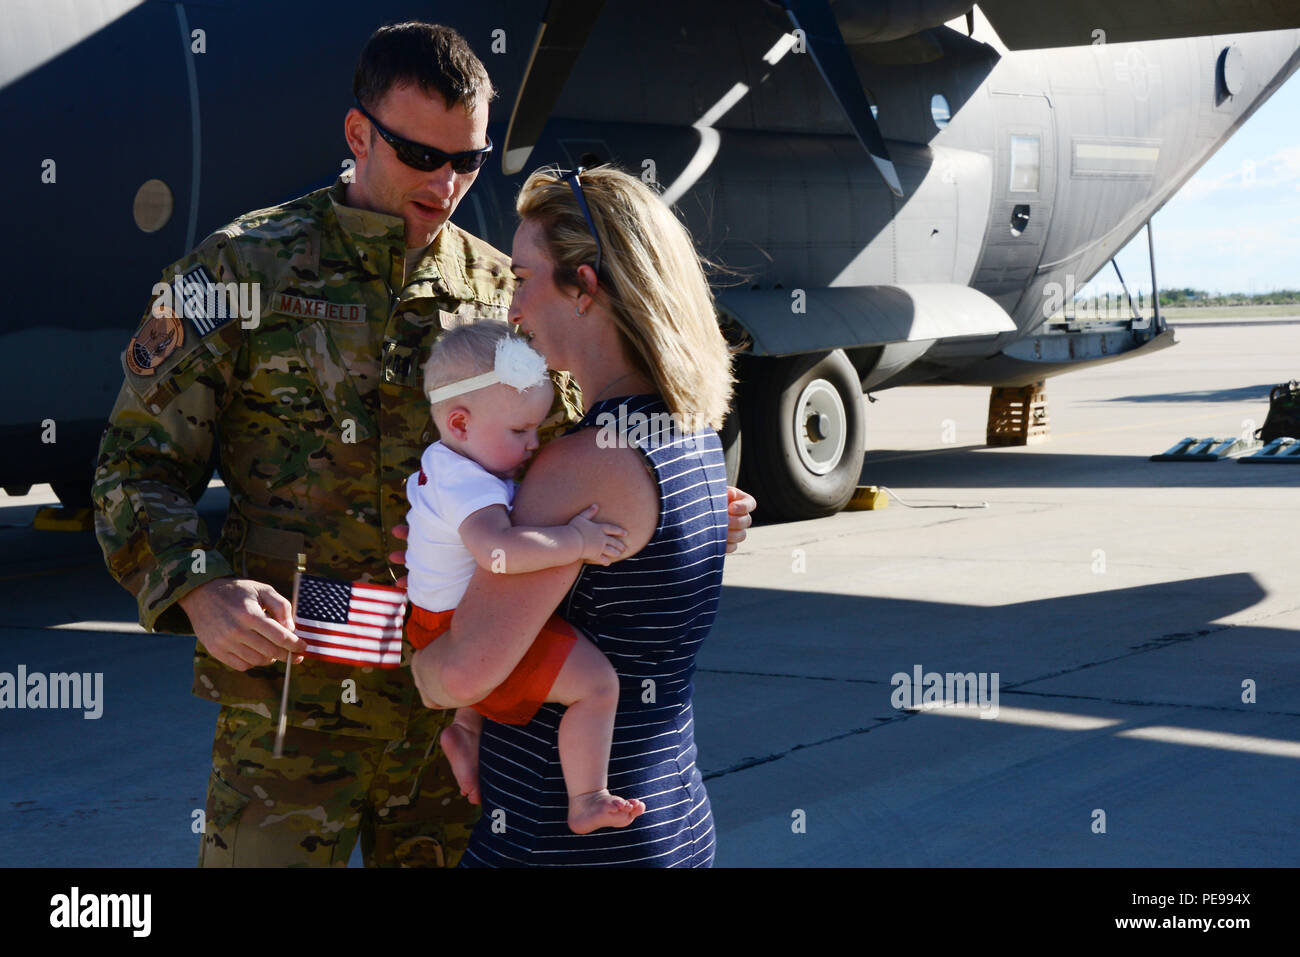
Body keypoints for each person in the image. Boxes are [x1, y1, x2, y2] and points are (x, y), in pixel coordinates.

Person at [91, 22, 754, 867]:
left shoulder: (503, 293)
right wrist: (197, 587)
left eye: (467, 161)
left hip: (457, 727)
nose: (446, 184)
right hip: (292, 716)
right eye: (420, 155)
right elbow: (133, 466)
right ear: (358, 133)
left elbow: (580, 462)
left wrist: (679, 517)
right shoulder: (241, 273)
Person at [411, 165, 733, 866]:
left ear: (583, 287)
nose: (513, 309)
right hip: (672, 817)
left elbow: (463, 672)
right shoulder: (692, 432)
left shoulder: (581, 464)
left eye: (523, 279)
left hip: (555, 842)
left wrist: (421, 668)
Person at [404, 320, 648, 834]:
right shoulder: (470, 486)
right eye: (520, 431)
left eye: (536, 429)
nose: (534, 443)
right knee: (598, 686)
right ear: (460, 423)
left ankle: (466, 726)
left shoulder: (446, 462)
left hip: (438, 621)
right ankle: (588, 798)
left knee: (501, 652)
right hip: (454, 628)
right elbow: (498, 553)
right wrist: (576, 542)